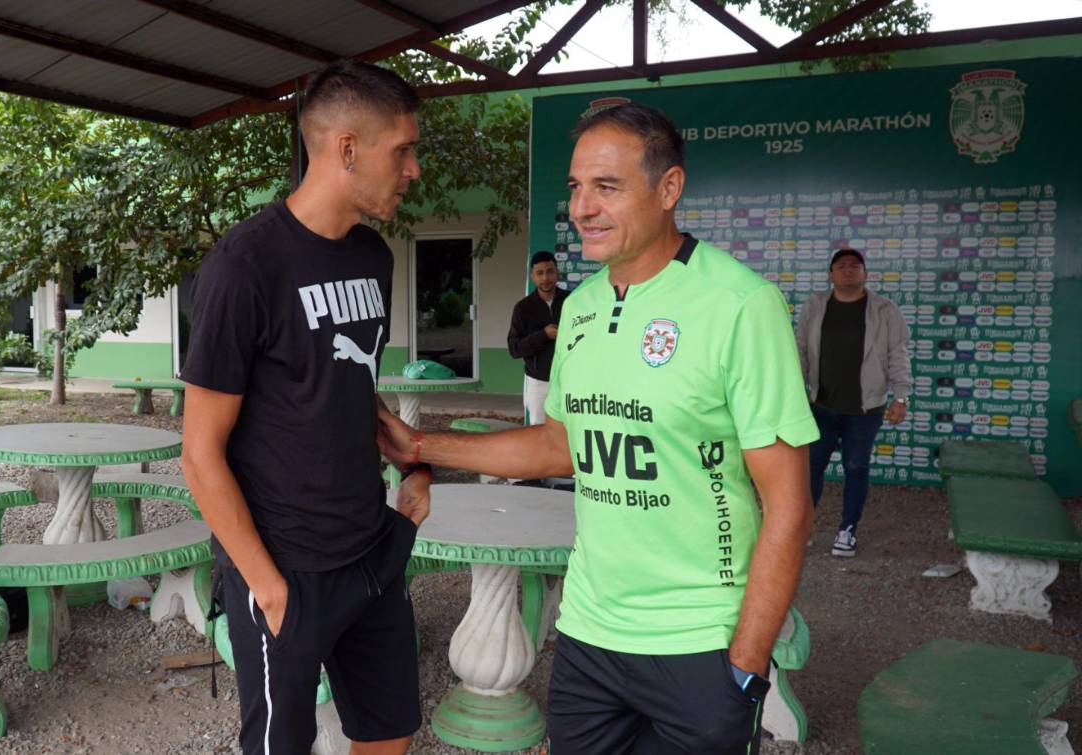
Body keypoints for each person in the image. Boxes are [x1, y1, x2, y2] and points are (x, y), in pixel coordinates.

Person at [378, 103, 817, 755]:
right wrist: (420, 445)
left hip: (699, 640)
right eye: (577, 186)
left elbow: (790, 505)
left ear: (669, 189)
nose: (583, 206)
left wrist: (746, 664)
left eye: (606, 187)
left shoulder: (740, 305)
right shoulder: (580, 308)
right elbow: (560, 443)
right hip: (588, 636)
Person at [180, 60, 429, 755]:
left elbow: (341, 376)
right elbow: (199, 452)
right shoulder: (245, 266)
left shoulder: (374, 257)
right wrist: (266, 586)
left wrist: (412, 455)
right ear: (348, 148)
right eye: (402, 150)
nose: (413, 170)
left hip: (369, 549)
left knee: (390, 730)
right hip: (284, 564)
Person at [795, 248, 912, 557]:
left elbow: (897, 355)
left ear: (865, 274)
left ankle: (847, 529)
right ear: (830, 275)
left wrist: (901, 395)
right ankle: (803, 527)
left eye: (854, 266)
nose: (848, 270)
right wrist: (795, 392)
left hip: (865, 409)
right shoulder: (815, 306)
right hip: (821, 406)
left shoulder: (885, 310)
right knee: (811, 468)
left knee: (856, 467)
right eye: (841, 266)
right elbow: (801, 352)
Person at [507, 250, 569, 425]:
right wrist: (543, 335)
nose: (545, 278)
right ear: (532, 276)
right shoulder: (523, 308)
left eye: (550, 271)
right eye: (540, 273)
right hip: (538, 382)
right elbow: (514, 349)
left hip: (569, 380)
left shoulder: (572, 301)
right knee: (538, 431)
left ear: (557, 273)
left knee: (569, 432)